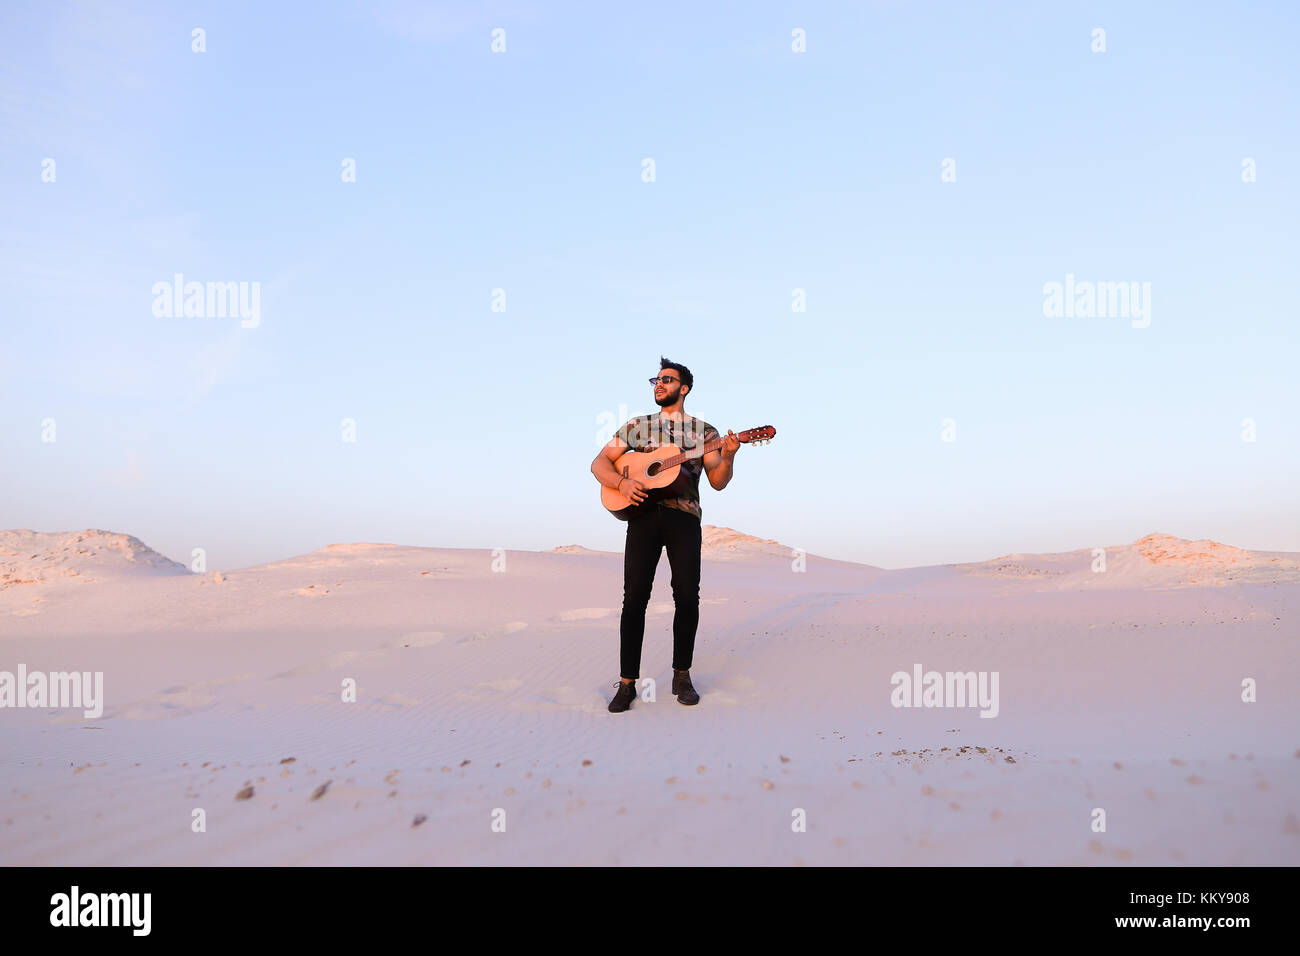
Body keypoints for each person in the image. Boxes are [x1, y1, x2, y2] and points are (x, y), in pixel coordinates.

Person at [589, 356, 740, 713]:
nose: (659, 384)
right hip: (641, 518)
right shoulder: (637, 426)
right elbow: (598, 463)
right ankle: (627, 683)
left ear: (684, 388)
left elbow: (717, 482)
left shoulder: (707, 433)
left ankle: (681, 674)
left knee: (687, 596)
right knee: (634, 599)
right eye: (656, 379)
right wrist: (622, 481)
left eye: (667, 380)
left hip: (684, 519)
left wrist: (730, 456)